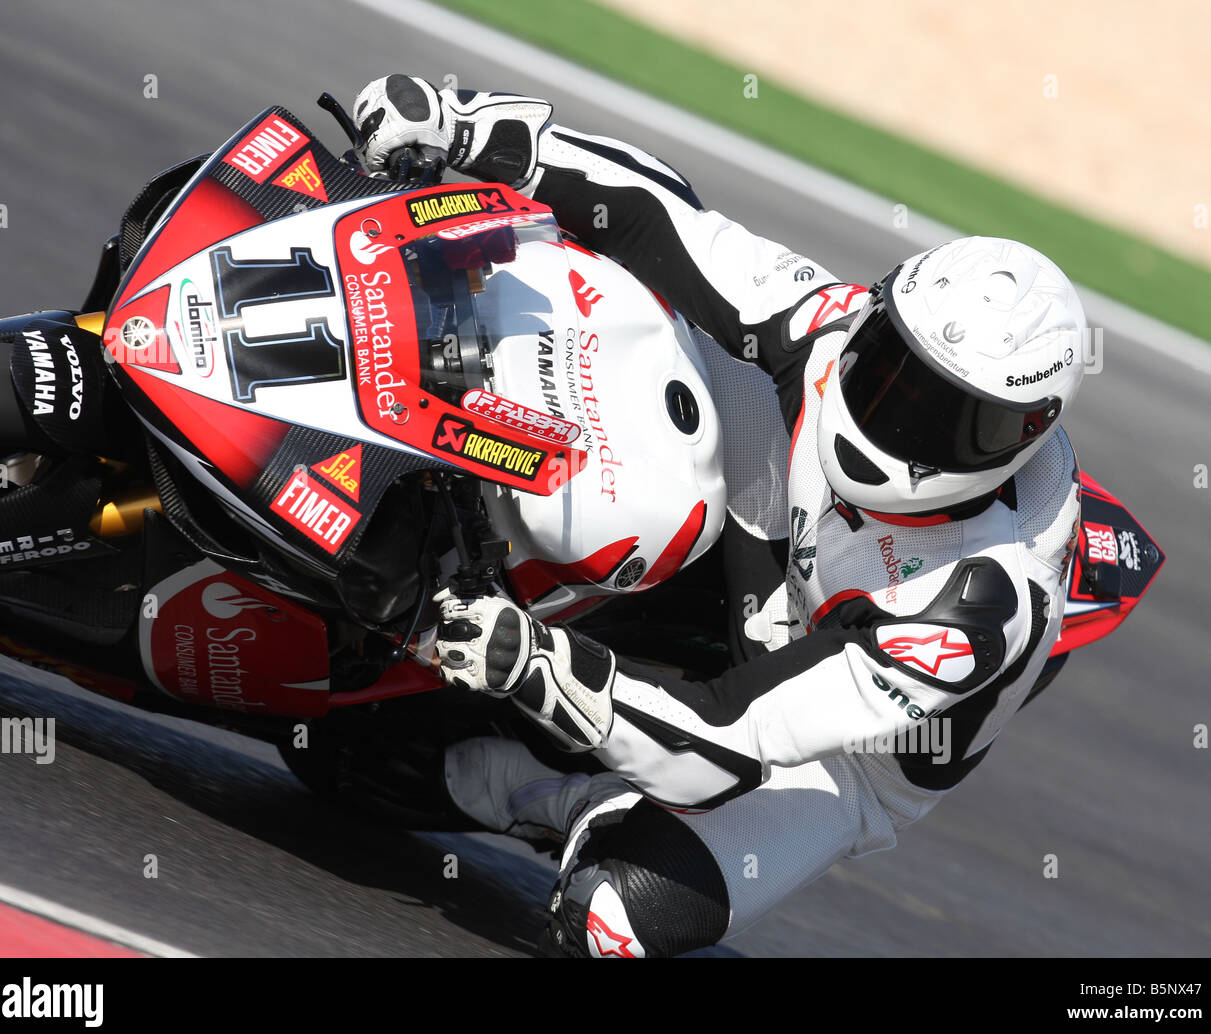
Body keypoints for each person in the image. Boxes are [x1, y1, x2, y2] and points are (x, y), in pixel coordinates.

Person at [353, 75, 1087, 957]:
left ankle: (564, 798)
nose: (892, 412)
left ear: (1023, 437)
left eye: (946, 418)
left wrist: (536, 664)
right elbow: (663, 220)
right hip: (784, 530)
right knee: (663, 311)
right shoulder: (838, 328)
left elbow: (727, 737)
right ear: (883, 310)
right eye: (891, 364)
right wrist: (464, 129)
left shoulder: (983, 603)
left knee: (613, 921)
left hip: (842, 751)